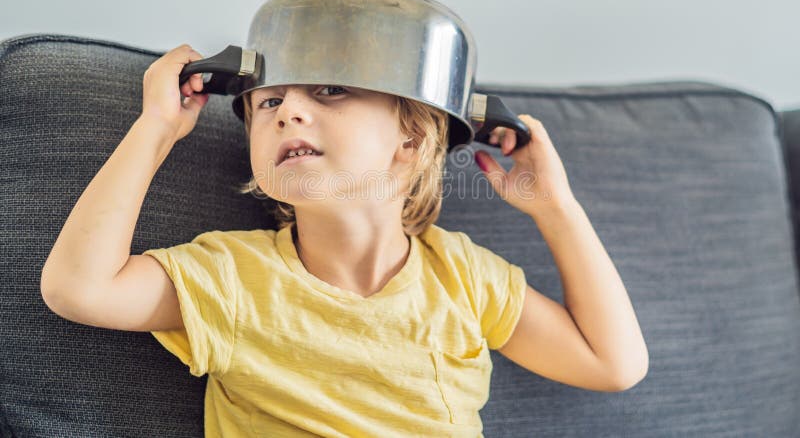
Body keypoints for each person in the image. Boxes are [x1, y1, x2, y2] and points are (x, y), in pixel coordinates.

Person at [41, 44, 648, 437]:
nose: (287, 112)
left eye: (329, 91)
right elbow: (79, 288)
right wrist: (156, 130)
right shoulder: (231, 276)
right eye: (270, 101)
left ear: (410, 143)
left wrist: (556, 210)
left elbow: (613, 364)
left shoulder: (462, 276)